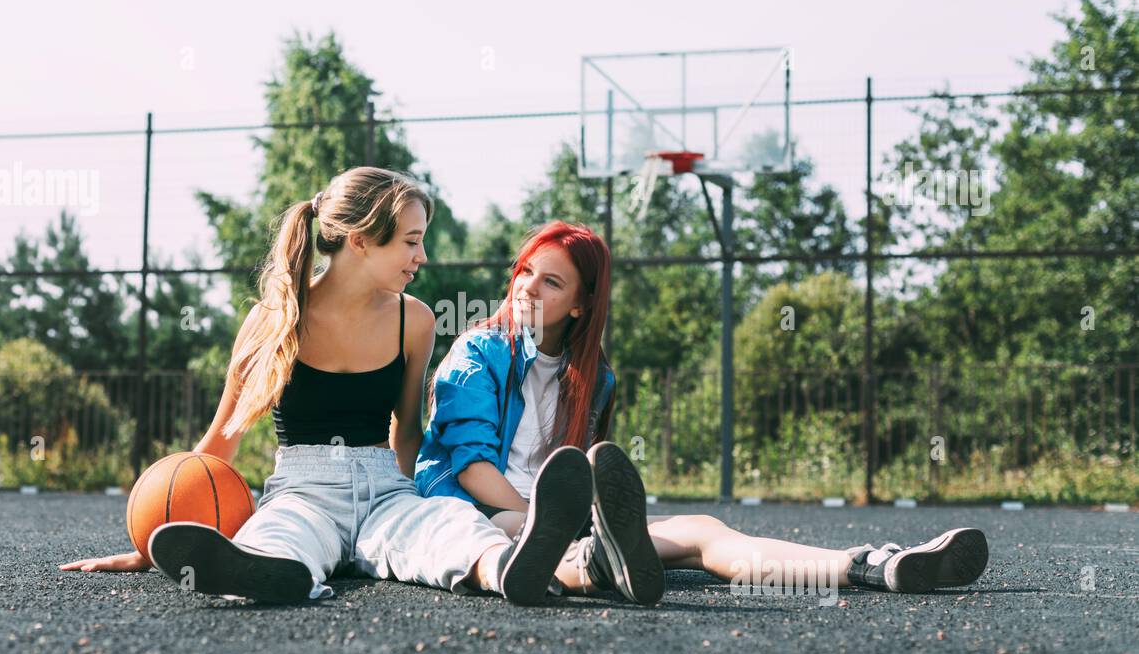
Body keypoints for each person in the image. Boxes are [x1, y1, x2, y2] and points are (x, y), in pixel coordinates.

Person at [59, 167, 595, 606]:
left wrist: (410, 503)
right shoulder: (275, 319)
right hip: (304, 489)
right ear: (360, 241)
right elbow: (221, 440)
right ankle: (263, 575)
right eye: (411, 241)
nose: (422, 257)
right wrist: (153, 538)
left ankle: (504, 566)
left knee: (447, 526)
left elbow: (407, 432)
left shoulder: (417, 321)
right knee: (278, 535)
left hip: (386, 487)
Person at [416, 220, 990, 601]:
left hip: (559, 516)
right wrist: (554, 517)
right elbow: (471, 470)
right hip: (481, 513)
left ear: (582, 304)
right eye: (524, 273)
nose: (527, 289)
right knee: (554, 531)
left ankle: (870, 565)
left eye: (551, 282)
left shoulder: (594, 377)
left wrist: (581, 515)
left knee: (705, 531)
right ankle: (591, 558)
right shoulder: (477, 353)